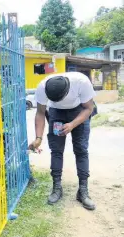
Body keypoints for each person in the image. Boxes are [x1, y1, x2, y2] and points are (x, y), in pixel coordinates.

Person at [29, 72, 96, 211]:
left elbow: (89, 108)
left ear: (67, 92)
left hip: (79, 111)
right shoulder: (43, 87)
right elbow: (41, 113)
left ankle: (83, 191)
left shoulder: (81, 82)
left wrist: (72, 124)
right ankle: (57, 188)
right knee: (56, 151)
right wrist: (38, 138)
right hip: (56, 113)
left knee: (81, 150)